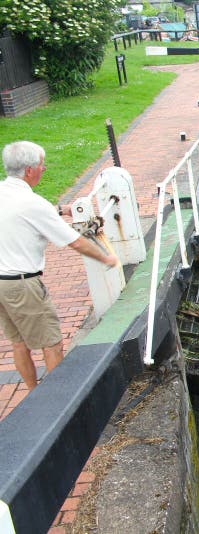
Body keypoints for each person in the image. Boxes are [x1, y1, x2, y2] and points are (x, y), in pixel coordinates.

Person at [0, 141, 119, 390]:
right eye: (41, 165)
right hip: (23, 284)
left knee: (19, 342)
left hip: (2, 282)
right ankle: (54, 399)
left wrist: (59, 210)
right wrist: (106, 257)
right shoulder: (33, 204)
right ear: (30, 170)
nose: (44, 169)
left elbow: (22, 214)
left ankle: (34, 392)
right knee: (51, 343)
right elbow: (74, 242)